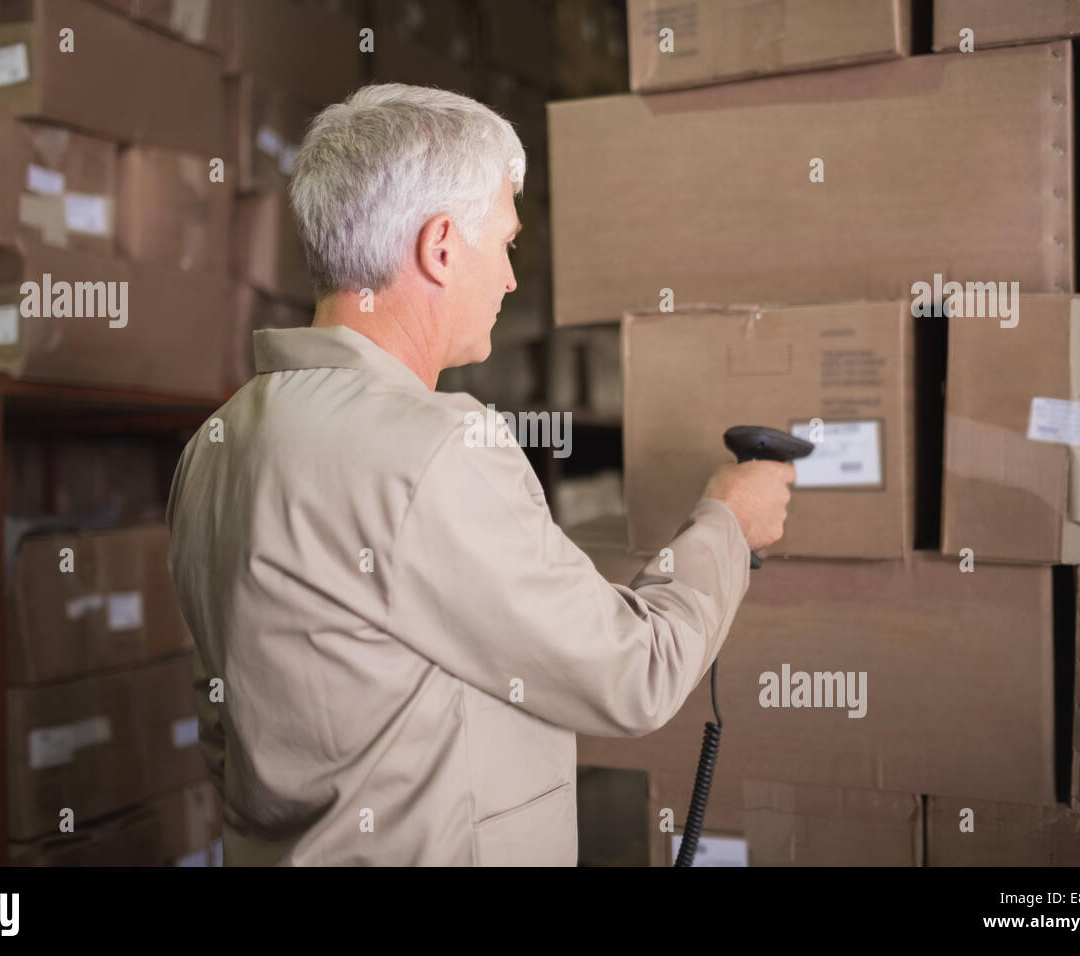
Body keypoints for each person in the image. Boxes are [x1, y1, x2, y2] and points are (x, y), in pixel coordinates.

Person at [165, 83, 795, 866]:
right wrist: (726, 523)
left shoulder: (216, 445)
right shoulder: (435, 448)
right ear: (440, 247)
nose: (510, 279)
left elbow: (223, 731)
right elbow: (636, 674)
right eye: (504, 243)